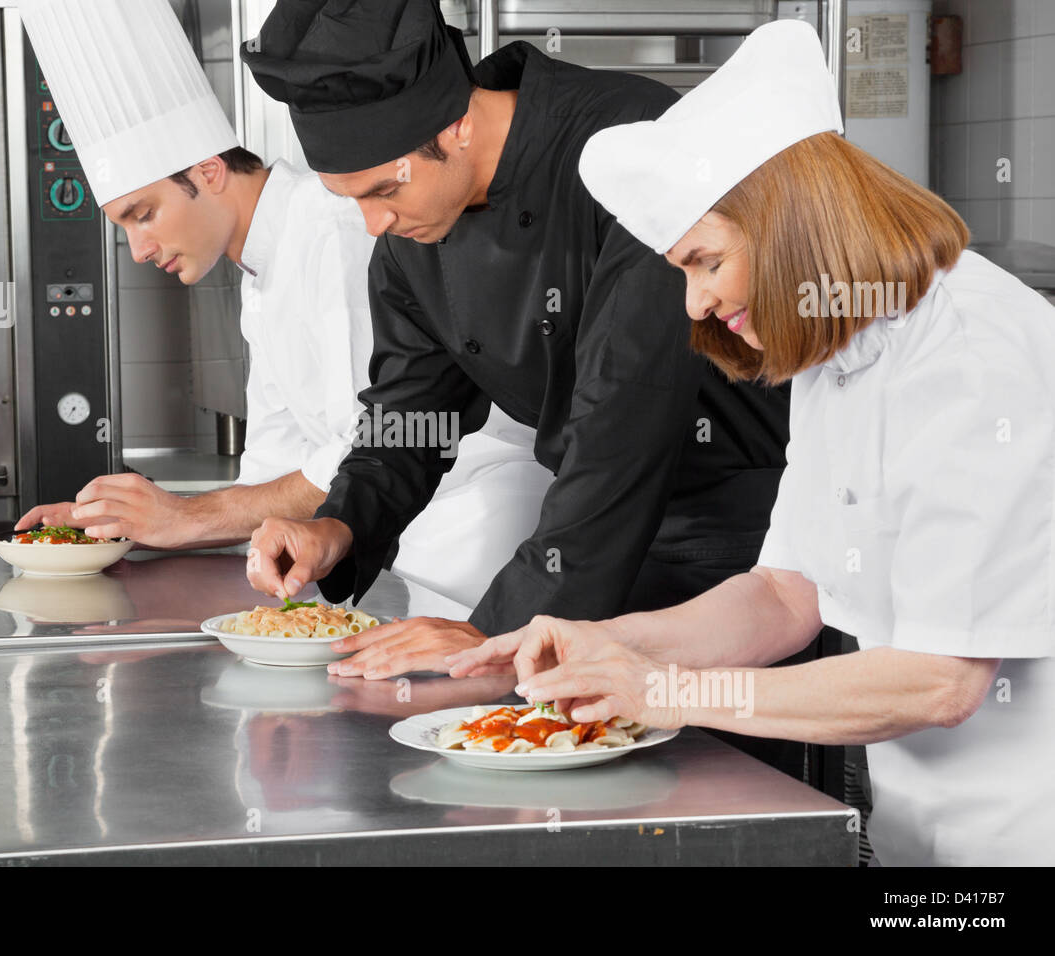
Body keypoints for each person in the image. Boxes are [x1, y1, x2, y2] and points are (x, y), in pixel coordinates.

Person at [449, 19, 1055, 866]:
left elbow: (941, 679)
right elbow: (784, 594)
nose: (693, 305)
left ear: (790, 218)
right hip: (923, 837)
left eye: (704, 261)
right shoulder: (835, 350)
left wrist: (666, 692)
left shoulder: (978, 354)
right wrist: (612, 643)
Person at [239, 1, 791, 685]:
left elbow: (625, 420)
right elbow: (414, 410)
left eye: (382, 191)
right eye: (351, 200)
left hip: (742, 550)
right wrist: (339, 524)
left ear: (458, 127)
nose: (373, 224)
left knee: (713, 779)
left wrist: (488, 633)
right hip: (589, 540)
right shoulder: (415, 230)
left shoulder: (629, 144)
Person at [16, 0, 552, 610]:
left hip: (465, 531)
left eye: (144, 214)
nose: (138, 249)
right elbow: (268, 474)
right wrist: (129, 530)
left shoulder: (338, 227)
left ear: (210, 171)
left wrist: (185, 516)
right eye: (125, 227)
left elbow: (368, 442)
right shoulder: (259, 268)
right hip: (381, 544)